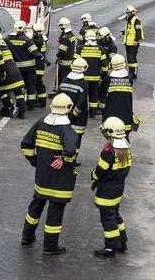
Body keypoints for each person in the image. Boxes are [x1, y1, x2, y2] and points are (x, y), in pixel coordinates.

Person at [20, 94, 79, 256]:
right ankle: (50, 246)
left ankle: (27, 236)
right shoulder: (67, 129)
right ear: (68, 109)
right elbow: (71, 151)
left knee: (36, 205)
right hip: (59, 180)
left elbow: (25, 145)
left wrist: (36, 161)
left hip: (42, 176)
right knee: (55, 211)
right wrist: (65, 160)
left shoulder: (40, 123)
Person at [91, 117, 132, 257]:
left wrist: (93, 176)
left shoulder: (108, 152)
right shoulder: (126, 149)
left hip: (106, 192)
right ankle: (122, 243)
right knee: (115, 215)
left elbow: (99, 171)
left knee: (108, 220)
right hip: (118, 189)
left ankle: (110, 248)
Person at [58, 57, 89, 159]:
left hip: (63, 115)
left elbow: (58, 97)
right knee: (76, 140)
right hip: (77, 118)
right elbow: (81, 102)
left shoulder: (64, 80)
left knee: (63, 137)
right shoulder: (83, 83)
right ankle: (72, 159)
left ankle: (62, 156)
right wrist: (73, 115)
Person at [7, 21, 43, 110]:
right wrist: (42, 58)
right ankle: (31, 105)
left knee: (19, 86)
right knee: (30, 86)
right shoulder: (27, 40)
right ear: (23, 29)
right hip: (29, 68)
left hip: (17, 68)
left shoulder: (8, 39)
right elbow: (35, 53)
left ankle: (20, 103)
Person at [0, 32, 27, 119]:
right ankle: (22, 111)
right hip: (15, 71)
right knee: (18, 91)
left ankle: (8, 109)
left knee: (3, 91)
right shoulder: (6, 46)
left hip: (6, 72)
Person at [104, 54, 139, 135]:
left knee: (109, 138)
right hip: (126, 114)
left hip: (110, 114)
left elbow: (102, 92)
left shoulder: (108, 79)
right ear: (124, 63)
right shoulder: (129, 79)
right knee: (125, 138)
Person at [76, 29, 107, 119]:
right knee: (94, 96)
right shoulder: (100, 49)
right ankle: (92, 114)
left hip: (83, 78)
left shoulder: (80, 48)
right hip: (95, 78)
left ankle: (81, 112)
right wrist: (105, 75)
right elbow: (104, 65)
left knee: (82, 96)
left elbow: (75, 61)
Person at [54, 17, 77, 89]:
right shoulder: (71, 35)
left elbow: (62, 50)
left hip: (64, 62)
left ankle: (62, 90)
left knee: (63, 78)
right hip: (70, 60)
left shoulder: (65, 37)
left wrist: (58, 56)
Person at [122, 5, 144, 80]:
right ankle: (131, 73)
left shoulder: (136, 20)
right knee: (129, 59)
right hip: (128, 43)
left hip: (133, 43)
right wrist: (123, 33)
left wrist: (136, 40)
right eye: (127, 13)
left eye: (128, 13)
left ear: (132, 13)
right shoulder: (129, 21)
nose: (127, 14)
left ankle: (134, 74)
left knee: (133, 59)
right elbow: (129, 31)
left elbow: (138, 31)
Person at [31, 22, 49, 108]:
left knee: (36, 82)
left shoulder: (37, 41)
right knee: (38, 82)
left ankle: (39, 101)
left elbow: (34, 52)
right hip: (40, 64)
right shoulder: (42, 39)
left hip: (37, 64)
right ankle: (41, 100)